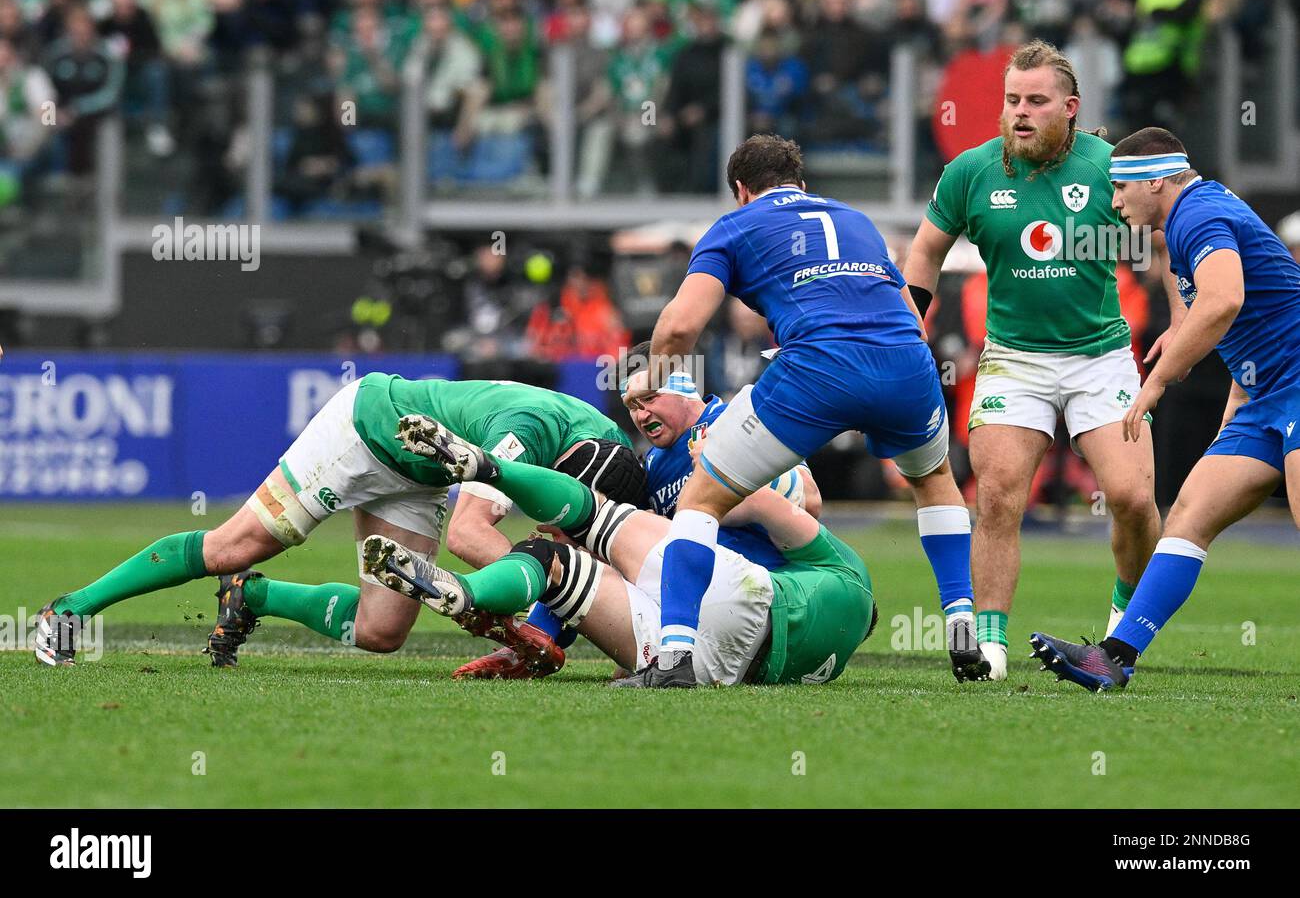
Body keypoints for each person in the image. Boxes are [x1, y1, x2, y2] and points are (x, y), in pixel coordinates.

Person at [624, 133, 984, 688]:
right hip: (906, 362)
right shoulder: (857, 220)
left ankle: (674, 659)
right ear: (803, 185)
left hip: (819, 367)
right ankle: (962, 627)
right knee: (935, 480)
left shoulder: (735, 226)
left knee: (700, 499)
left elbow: (678, 327)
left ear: (740, 191)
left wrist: (651, 376)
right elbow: (913, 316)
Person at [33, 376, 645, 668]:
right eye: (565, 528)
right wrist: (544, 605)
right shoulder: (532, 434)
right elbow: (467, 534)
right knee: (231, 547)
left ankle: (254, 598)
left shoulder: (602, 446)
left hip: (419, 474)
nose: (559, 538)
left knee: (382, 632)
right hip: (364, 432)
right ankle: (68, 610)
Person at [903, 39, 1164, 680]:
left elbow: (1168, 239)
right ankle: (989, 650)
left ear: (1070, 108)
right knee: (994, 496)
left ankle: (1121, 627)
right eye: (1012, 100)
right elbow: (925, 253)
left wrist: (1180, 327)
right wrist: (912, 328)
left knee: (1131, 497)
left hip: (1100, 357)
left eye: (1037, 101)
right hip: (1014, 359)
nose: (1020, 112)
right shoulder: (971, 171)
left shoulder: (1110, 165)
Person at [1031, 127, 1300, 691]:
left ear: (1155, 180)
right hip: (1266, 399)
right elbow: (1252, 324)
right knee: (1186, 519)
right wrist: (1238, 404)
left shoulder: (1196, 214)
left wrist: (1153, 384)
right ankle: (1115, 657)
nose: (1115, 201)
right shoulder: (1187, 221)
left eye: (1121, 187)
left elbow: (1226, 300)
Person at [365, 416, 877, 687]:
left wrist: (708, 490)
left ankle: (487, 469)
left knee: (584, 522)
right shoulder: (831, 668)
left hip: (743, 593)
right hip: (717, 669)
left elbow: (781, 507)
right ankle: (465, 591)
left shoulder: (850, 572)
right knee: (559, 568)